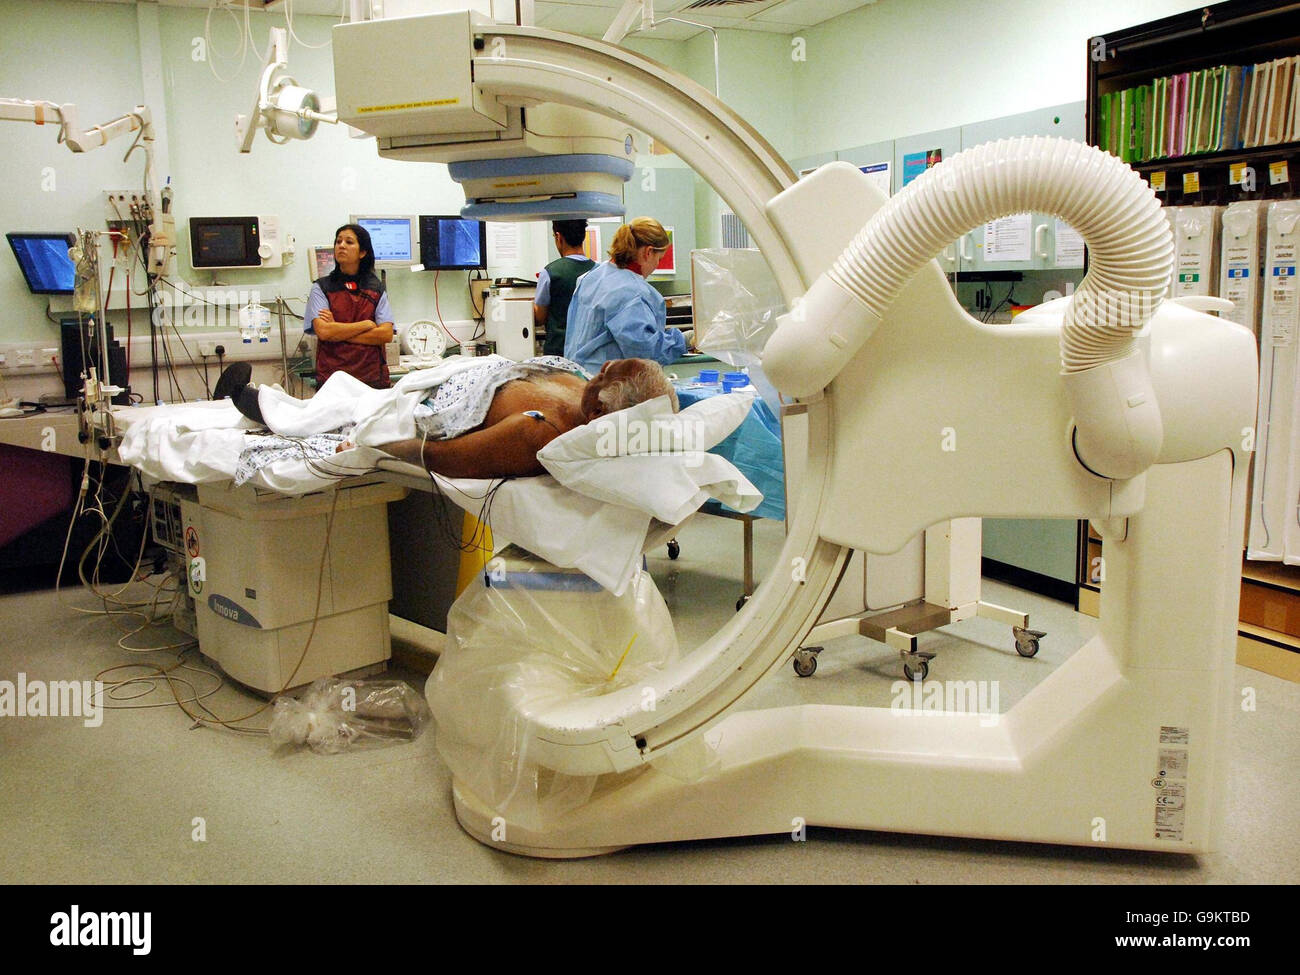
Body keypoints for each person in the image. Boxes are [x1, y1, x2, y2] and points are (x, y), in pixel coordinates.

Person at [223, 357, 678, 480]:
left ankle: (257, 404)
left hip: (422, 408)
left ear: (602, 411)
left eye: (603, 376)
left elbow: (441, 456)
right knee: (349, 390)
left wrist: (373, 447)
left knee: (350, 408)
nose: (594, 372)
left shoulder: (541, 432)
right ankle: (263, 402)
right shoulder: (586, 392)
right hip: (454, 377)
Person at [563, 217, 687, 375]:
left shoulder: (590, 277)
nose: (656, 265)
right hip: (607, 388)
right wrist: (683, 340)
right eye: (659, 259)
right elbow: (645, 353)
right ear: (648, 252)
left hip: (577, 379)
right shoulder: (632, 292)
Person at [305, 223, 395, 389]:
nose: (341, 246)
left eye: (349, 242)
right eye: (338, 242)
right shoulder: (321, 288)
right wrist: (366, 325)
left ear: (362, 252)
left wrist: (337, 331)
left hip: (372, 380)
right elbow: (324, 332)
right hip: (333, 381)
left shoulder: (376, 289)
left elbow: (385, 334)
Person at [534, 219, 597, 357]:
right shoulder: (598, 271)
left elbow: (539, 317)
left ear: (558, 237)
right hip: (589, 352)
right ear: (583, 236)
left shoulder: (550, 272)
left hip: (558, 352)